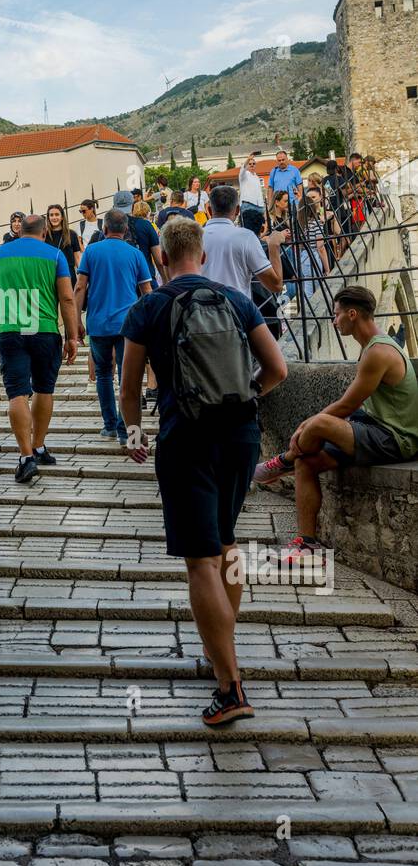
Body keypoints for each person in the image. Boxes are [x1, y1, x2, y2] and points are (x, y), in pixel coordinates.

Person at [119, 220, 287, 726]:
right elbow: (276, 369)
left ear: (162, 260)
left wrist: (133, 432)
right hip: (241, 436)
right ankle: (222, 653)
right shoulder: (236, 300)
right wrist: (242, 401)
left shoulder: (148, 308)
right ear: (204, 257)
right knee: (227, 542)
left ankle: (230, 686)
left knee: (200, 561)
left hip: (184, 437)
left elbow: (128, 390)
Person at [255, 285, 418, 557]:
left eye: (336, 314)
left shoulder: (378, 352)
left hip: (396, 438)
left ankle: (284, 461)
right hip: (375, 426)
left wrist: (308, 425)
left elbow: (347, 405)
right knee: (306, 464)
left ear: (352, 314)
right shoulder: (371, 347)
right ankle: (307, 544)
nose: (333, 321)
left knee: (318, 424)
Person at [0, 213, 78, 484]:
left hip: (10, 331)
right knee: (44, 389)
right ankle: (38, 445)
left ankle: (25, 457)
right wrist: (72, 336)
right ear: (45, 231)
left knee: (17, 393)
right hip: (45, 330)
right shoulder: (55, 256)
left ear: (19, 230)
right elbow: (67, 298)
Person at [75, 209, 151, 445]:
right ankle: (124, 430)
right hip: (128, 325)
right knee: (128, 377)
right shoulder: (135, 254)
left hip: (98, 323)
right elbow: (147, 291)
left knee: (103, 374)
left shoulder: (92, 252)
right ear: (126, 229)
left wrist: (76, 320)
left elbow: (80, 287)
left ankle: (109, 425)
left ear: (104, 229)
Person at [201, 185, 287, 300]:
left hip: (201, 312)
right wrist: (274, 245)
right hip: (236, 311)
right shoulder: (245, 237)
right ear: (237, 210)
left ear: (210, 210)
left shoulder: (194, 237)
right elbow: (276, 285)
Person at [113, 189, 164, 283]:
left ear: (114, 207)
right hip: (146, 278)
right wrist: (166, 281)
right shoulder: (145, 225)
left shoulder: (108, 229)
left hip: (120, 283)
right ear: (132, 205)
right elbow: (159, 261)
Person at [45, 203, 81, 286]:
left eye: (57, 214)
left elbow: (77, 258)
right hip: (50, 274)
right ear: (48, 218)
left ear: (62, 217)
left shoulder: (71, 234)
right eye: (51, 215)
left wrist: (82, 277)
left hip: (68, 274)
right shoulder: (44, 235)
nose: (54, 217)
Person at [238, 154, 266, 227]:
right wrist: (248, 159)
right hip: (248, 205)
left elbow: (259, 193)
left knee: (259, 228)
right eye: (249, 164)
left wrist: (263, 207)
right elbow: (242, 169)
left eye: (253, 164)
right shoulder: (244, 175)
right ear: (247, 165)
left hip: (259, 206)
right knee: (248, 228)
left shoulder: (257, 177)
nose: (252, 165)